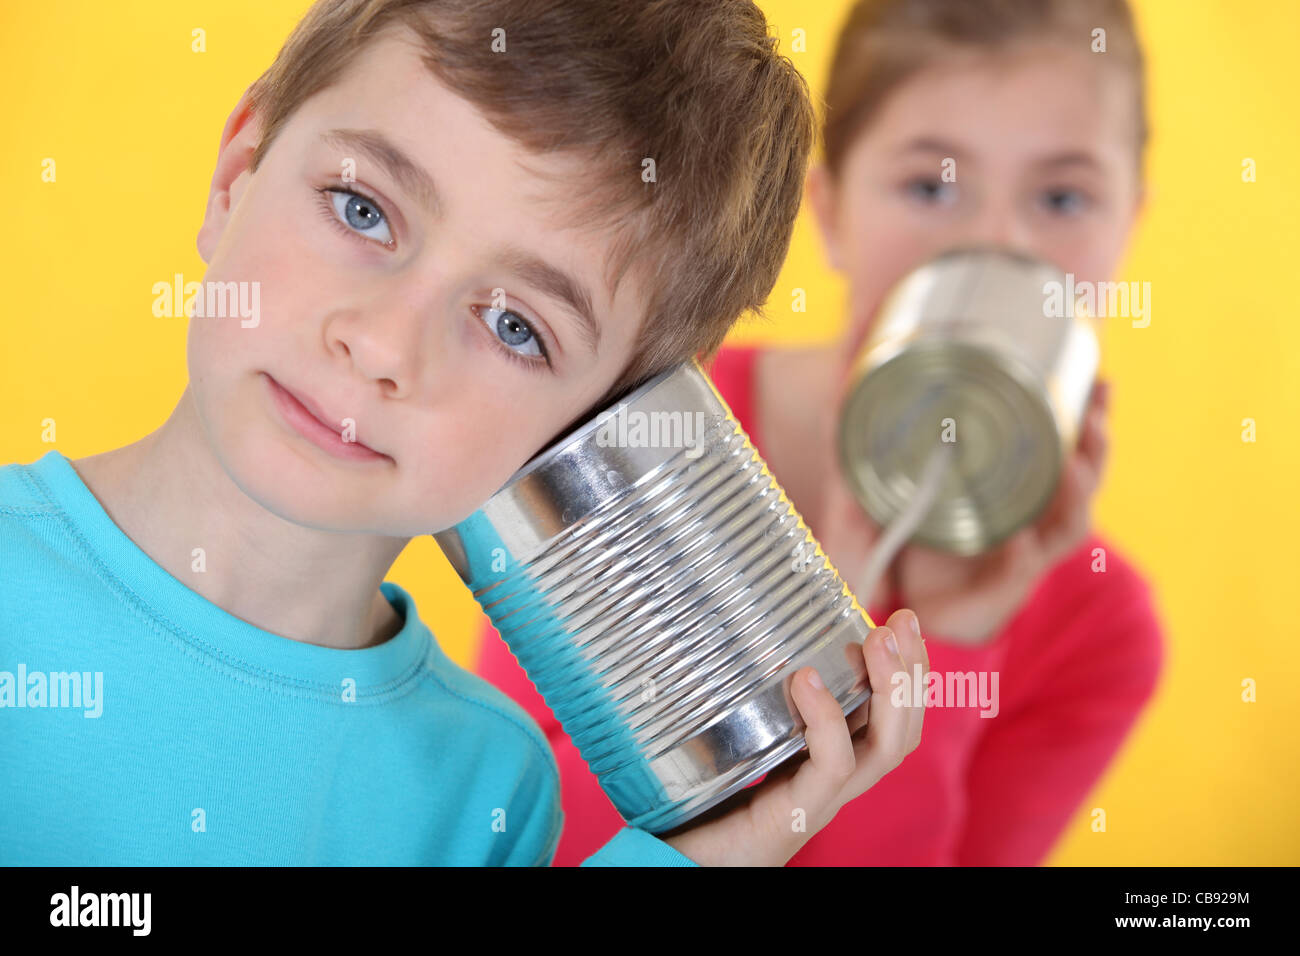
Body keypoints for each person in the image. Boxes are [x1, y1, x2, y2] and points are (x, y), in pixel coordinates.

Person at [0, 0, 929, 866]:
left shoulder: (490, 788)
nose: (381, 344)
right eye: (361, 209)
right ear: (237, 173)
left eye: (514, 327)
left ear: (596, 431)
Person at [474, 0, 1165, 866]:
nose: (998, 244)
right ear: (829, 210)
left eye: (1063, 196)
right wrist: (815, 617)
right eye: (931, 185)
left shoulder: (1098, 635)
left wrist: (944, 645)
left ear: (1130, 227)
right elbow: (525, 834)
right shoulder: (632, 421)